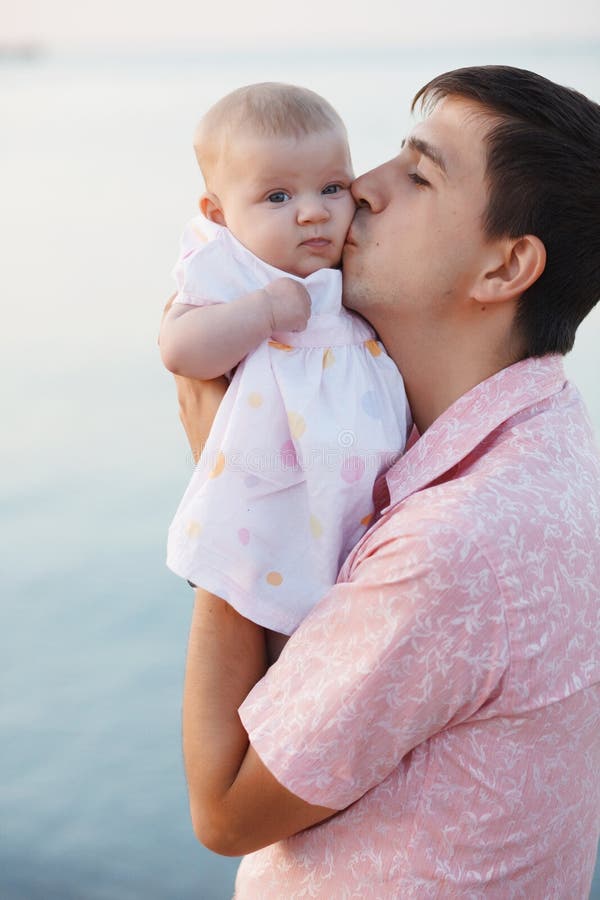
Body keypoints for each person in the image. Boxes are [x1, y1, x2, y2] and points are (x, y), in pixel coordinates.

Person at [170, 66, 600, 897]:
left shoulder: (454, 545)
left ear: (507, 268)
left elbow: (221, 811)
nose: (359, 189)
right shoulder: (546, 430)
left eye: (417, 174)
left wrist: (239, 490)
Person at [160, 84, 410, 655]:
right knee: (280, 635)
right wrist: (261, 312)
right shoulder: (233, 269)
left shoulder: (350, 263)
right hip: (278, 495)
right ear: (220, 213)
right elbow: (179, 348)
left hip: (360, 502)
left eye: (332, 187)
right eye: (277, 197)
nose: (313, 210)